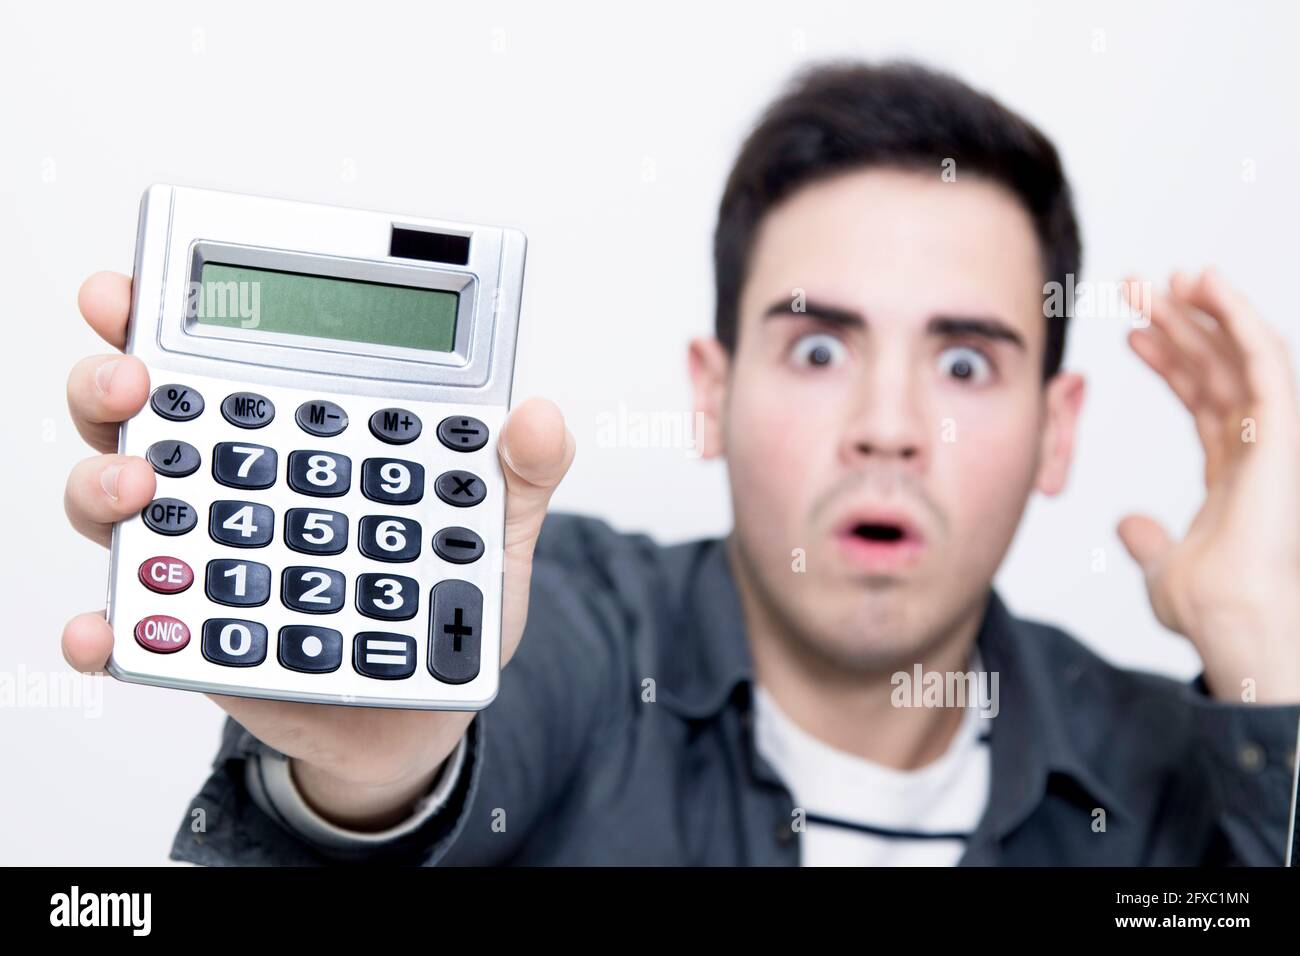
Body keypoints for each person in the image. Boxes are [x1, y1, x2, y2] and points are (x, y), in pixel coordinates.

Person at [61, 61, 1300, 865]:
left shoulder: (1175, 771)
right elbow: (465, 731)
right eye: (818, 347)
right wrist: (373, 774)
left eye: (964, 363)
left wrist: (1272, 661)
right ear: (711, 396)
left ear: (1058, 425)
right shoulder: (565, 633)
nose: (887, 424)